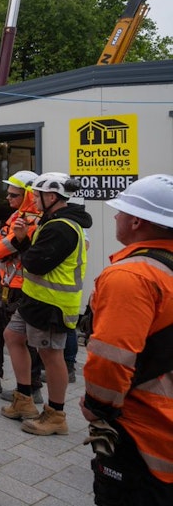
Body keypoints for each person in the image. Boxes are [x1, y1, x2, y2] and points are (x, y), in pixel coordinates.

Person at [81, 174, 173, 505]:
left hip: (146, 433)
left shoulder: (130, 276)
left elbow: (111, 358)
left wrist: (97, 407)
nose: (116, 217)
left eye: (120, 211)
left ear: (136, 221)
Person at [1, 172, 91, 435]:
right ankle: (24, 399)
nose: (34, 200)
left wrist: (22, 244)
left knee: (51, 356)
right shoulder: (51, 221)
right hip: (35, 299)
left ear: (51, 197)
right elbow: (35, 257)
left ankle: (56, 415)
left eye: (37, 195)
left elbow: (35, 263)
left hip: (52, 305)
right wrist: (24, 240)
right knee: (12, 336)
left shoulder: (61, 227)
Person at [0, 170, 44, 398]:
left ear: (27, 195)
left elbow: (0, 248)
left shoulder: (34, 220)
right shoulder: (18, 217)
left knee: (23, 340)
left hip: (21, 287)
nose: (8, 198)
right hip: (6, 284)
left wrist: (7, 245)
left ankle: (32, 388)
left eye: (14, 195)